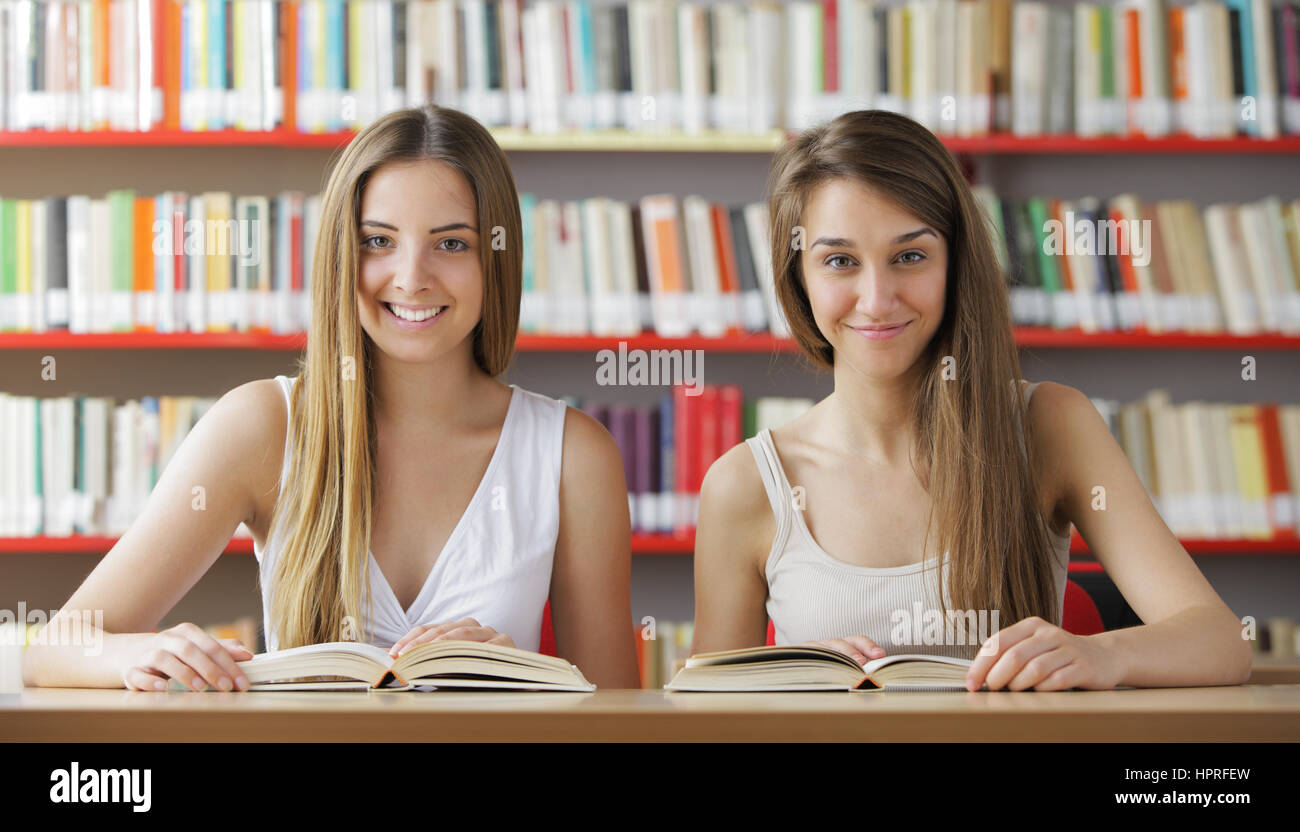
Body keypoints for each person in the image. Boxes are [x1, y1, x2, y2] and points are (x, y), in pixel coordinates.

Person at [24, 104, 641, 691]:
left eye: (451, 243)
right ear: (342, 253)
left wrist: (521, 681)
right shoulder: (264, 425)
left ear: (495, 260)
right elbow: (52, 650)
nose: (411, 277)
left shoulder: (572, 455)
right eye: (378, 241)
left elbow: (619, 717)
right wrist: (142, 651)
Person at [690, 109, 1250, 691]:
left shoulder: (1049, 425)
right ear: (797, 278)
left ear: (956, 263)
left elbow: (1218, 640)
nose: (878, 300)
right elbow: (702, 718)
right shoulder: (745, 485)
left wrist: (1103, 655)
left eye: (910, 256)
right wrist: (793, 678)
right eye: (839, 261)